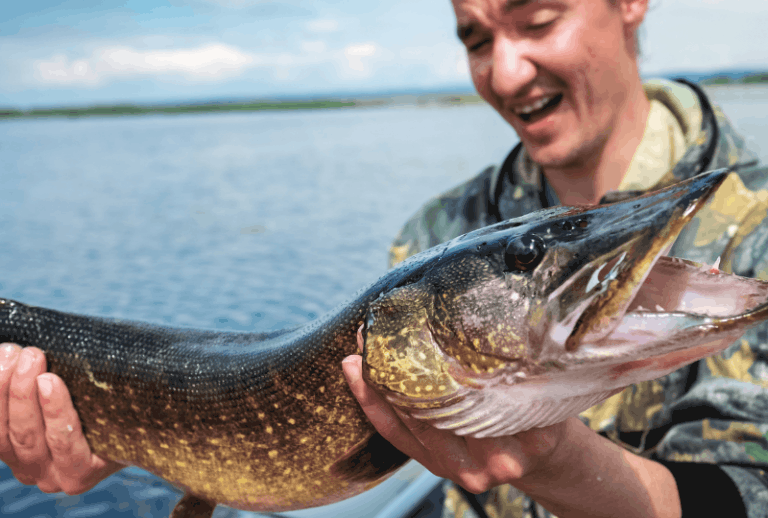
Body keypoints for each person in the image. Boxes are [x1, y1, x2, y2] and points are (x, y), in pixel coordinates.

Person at [2, 0, 768, 517]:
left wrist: (555, 460)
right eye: (475, 38)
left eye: (537, 17)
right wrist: (115, 435)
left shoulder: (753, 233)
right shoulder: (439, 230)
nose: (504, 73)